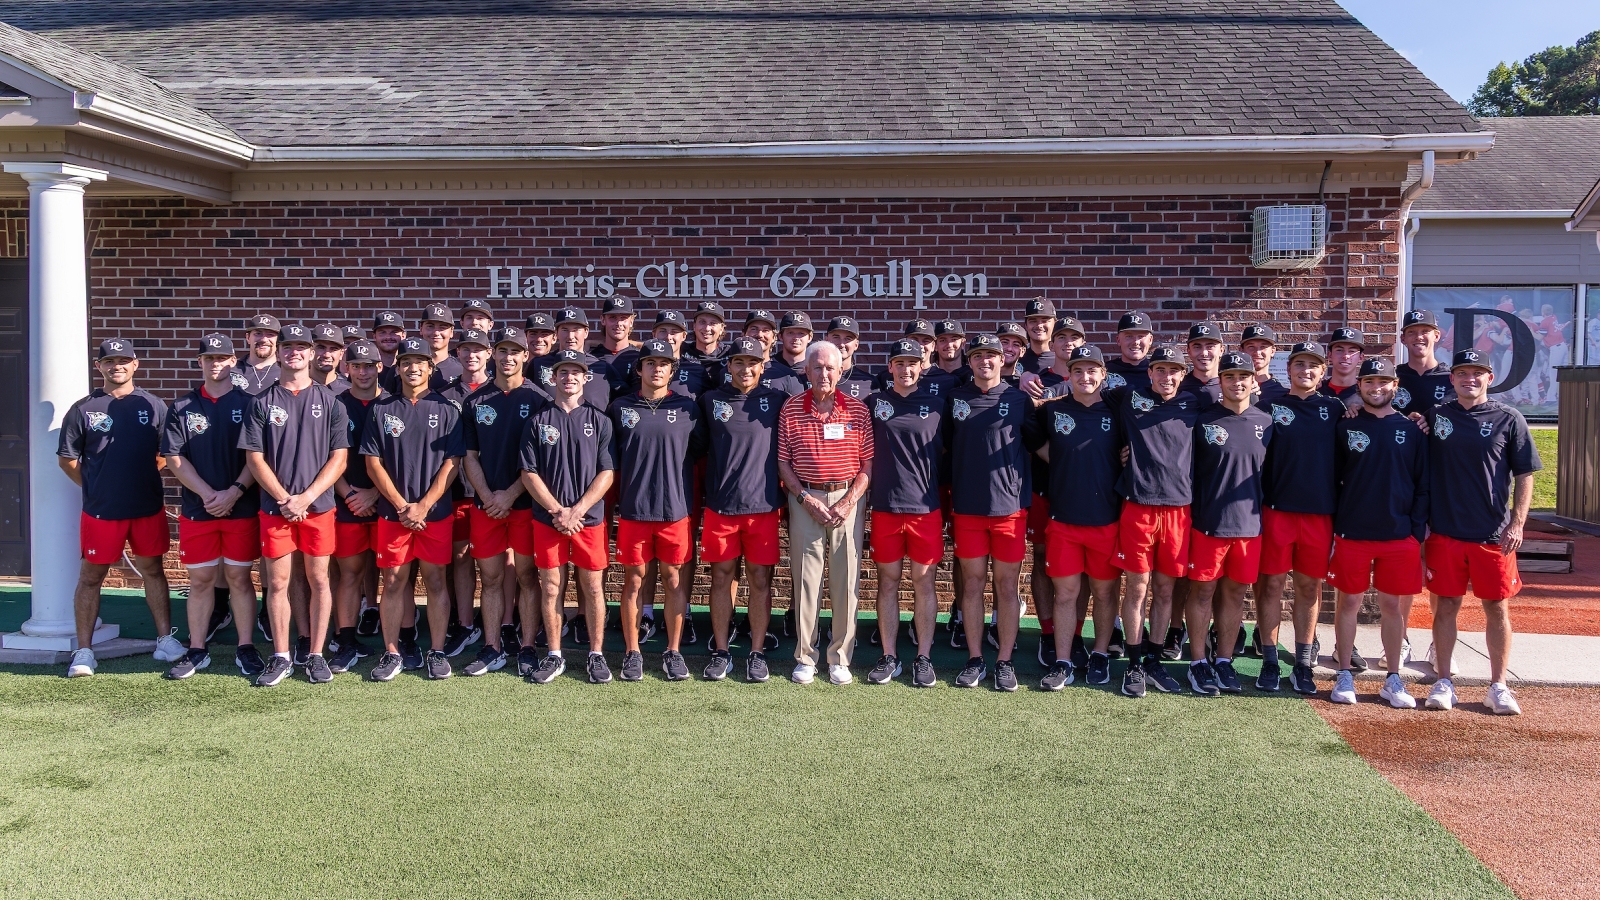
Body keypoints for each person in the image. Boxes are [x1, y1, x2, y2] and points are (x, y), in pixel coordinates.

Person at [1423, 349, 1541, 715]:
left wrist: (1518, 522)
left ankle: (1499, 685)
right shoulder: (1436, 416)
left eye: (1477, 373)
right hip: (1445, 531)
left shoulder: (1510, 418)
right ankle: (1444, 681)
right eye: (1462, 373)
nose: (1469, 379)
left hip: (1493, 534)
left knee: (1497, 608)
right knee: (1446, 606)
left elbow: (1525, 474)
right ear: (1452, 379)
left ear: (1489, 378)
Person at [60, 339, 184, 678]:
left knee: (154, 572)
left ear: (135, 364)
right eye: (110, 361)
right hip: (101, 511)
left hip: (146, 507)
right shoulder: (83, 409)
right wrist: (98, 485)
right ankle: (84, 652)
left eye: (124, 360)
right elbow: (68, 460)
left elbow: (166, 453)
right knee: (91, 577)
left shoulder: (154, 405)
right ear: (99, 366)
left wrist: (137, 478)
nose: (117, 366)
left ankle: (164, 640)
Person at [239, 324, 351, 686]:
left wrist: (305, 497)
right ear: (279, 351)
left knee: (319, 580)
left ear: (313, 352)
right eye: (289, 346)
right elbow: (254, 458)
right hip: (277, 509)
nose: (295, 352)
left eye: (303, 346)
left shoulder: (331, 401)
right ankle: (282, 656)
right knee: (278, 584)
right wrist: (285, 498)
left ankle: (316, 655)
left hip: (318, 507)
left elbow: (340, 458)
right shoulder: (262, 402)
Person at [362, 337, 465, 682]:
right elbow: (373, 463)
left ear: (431, 368)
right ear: (398, 367)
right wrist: (402, 505)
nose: (413, 367)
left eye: (420, 361)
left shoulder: (449, 409)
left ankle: (436, 650)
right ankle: (392, 652)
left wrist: (424, 505)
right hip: (395, 514)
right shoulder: (381, 409)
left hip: (434, 513)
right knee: (393, 581)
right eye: (406, 361)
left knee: (436, 580)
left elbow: (453, 464)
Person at [1328, 358, 1428, 709]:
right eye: (1369, 381)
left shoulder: (1413, 429)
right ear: (1360, 386)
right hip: (1353, 531)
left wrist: (1415, 532)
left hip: (1398, 535)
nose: (1376, 388)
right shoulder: (1345, 426)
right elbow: (1334, 479)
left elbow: (1422, 485)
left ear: (1395, 386)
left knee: (1391, 606)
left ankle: (1393, 677)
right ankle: (1343, 672)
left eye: (1383, 381)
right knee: (1350, 602)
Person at [161, 334, 262, 680]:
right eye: (208, 358)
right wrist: (207, 495)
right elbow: (174, 458)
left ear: (234, 361)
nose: (215, 363)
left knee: (239, 577)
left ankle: (246, 647)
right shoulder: (182, 407)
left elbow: (257, 458)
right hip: (198, 508)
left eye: (222, 357)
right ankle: (197, 649)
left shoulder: (251, 403)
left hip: (242, 507)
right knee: (201, 579)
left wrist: (234, 492)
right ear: (200, 362)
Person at [609, 338, 707, 681]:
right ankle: (632, 651)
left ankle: (673, 651)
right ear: (639, 369)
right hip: (635, 510)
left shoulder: (687, 408)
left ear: (671, 370)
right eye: (650, 363)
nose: (657, 368)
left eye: (663, 363)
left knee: (673, 580)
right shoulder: (620, 407)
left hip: (675, 511)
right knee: (634, 580)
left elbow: (698, 452)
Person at [520, 348, 617, 684]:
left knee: (592, 587)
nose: (570, 377)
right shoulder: (537, 420)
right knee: (550, 588)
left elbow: (607, 472)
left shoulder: (600, 420)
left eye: (576, 372)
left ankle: (596, 654)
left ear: (585, 378)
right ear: (553, 377)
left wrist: (577, 510)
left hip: (588, 520)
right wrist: (557, 511)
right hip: (548, 520)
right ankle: (555, 655)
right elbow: (528, 473)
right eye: (563, 372)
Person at [778, 340, 872, 685]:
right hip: (805, 497)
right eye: (816, 367)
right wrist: (806, 499)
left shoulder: (858, 411)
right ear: (806, 371)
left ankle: (839, 657)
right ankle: (806, 656)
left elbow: (867, 465)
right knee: (806, 581)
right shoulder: (790, 409)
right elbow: (784, 462)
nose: (824, 373)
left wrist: (847, 502)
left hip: (848, 497)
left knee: (846, 581)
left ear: (841, 370)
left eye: (830, 367)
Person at [1030, 345, 1124, 691]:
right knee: (1066, 594)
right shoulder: (1054, 412)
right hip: (1064, 518)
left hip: (1106, 519)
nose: (1085, 377)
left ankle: (1099, 653)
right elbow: (1029, 434)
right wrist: (1056, 459)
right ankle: (1064, 659)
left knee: (1104, 591)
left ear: (1103, 375)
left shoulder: (1117, 410)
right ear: (1068, 375)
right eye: (1078, 371)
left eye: (1092, 371)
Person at [944, 333, 1035, 691]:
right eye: (978, 356)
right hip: (967, 507)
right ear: (970, 362)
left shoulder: (1019, 400)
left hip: (1009, 508)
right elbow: (946, 446)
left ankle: (1005, 660)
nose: (985, 361)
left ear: (1004, 361)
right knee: (972, 586)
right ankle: (975, 658)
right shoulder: (955, 399)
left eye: (992, 356)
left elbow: (1039, 446)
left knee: (1007, 586)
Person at [1105, 345, 1197, 689]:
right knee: (1137, 588)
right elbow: (1079, 390)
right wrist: (1033, 391)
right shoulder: (1128, 398)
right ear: (1150, 373)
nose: (1167, 376)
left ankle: (1155, 659)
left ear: (1183, 375)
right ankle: (1133, 663)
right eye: (1160, 369)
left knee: (1165, 588)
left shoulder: (1196, 403)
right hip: (1138, 506)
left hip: (1178, 509)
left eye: (1174, 370)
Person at [1256, 341, 1346, 695]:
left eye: (1313, 365)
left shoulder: (1337, 410)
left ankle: (1304, 662)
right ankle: (1269, 660)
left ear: (1323, 373)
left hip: (1319, 515)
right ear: (1288, 370)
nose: (1305, 371)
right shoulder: (1269, 406)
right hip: (1277, 511)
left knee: (1309, 587)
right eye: (1298, 365)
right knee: (1272, 587)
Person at [1182, 351, 1273, 697]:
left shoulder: (1267, 422)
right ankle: (1197, 662)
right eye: (1230, 376)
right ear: (1220, 381)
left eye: (1243, 376)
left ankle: (1223, 660)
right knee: (1202, 592)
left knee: (1236, 594)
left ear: (1254, 381)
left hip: (1250, 527)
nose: (1237, 382)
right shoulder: (1203, 420)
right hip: (1208, 524)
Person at [698, 337, 788, 681]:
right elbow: (698, 449)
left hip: (763, 507)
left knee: (761, 579)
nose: (745, 368)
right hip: (721, 507)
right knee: (721, 577)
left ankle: (756, 651)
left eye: (752, 362)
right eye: (738, 362)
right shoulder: (710, 401)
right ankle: (722, 650)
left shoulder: (778, 401)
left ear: (762, 366)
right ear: (729, 365)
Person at [459, 326, 541, 677]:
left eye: (515, 352)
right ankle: (492, 647)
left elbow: (538, 462)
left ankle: (526, 646)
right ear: (494, 354)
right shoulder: (475, 401)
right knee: (490, 578)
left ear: (526, 356)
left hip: (523, 506)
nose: (508, 358)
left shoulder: (539, 399)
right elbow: (469, 456)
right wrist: (488, 496)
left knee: (526, 575)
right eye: (502, 351)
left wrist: (509, 495)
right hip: (487, 506)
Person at [863, 339, 945, 688]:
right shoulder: (873, 403)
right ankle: (890, 655)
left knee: (924, 581)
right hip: (885, 507)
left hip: (925, 508)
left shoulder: (939, 404)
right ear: (890, 366)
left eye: (913, 362)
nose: (906, 368)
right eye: (900, 362)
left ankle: (923, 657)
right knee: (888, 582)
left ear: (923, 364)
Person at [328, 339, 386, 673]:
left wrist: (375, 495)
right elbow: (328, 458)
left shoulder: (393, 404)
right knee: (349, 574)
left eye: (369, 366)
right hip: (346, 502)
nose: (362, 372)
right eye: (356, 366)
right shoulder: (335, 405)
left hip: (387, 505)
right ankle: (345, 641)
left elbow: (399, 462)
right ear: (345, 368)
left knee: (395, 576)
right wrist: (351, 494)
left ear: (380, 367)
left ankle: (399, 639)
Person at [439, 328, 495, 655]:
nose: (471, 355)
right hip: (459, 490)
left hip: (496, 495)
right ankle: (465, 625)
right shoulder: (445, 394)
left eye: (478, 349)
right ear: (457, 353)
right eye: (466, 349)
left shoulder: (500, 390)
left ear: (488, 353)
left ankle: (505, 623)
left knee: (501, 563)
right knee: (460, 558)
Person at [1396, 309, 1454, 419]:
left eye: (1425, 331)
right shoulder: (1393, 379)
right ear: (1403, 338)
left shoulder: (1451, 379)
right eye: (1411, 332)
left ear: (1437, 336)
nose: (1419, 337)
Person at [825, 315, 876, 400]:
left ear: (856, 345)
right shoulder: (812, 376)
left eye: (848, 339)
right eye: (836, 337)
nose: (841, 344)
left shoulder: (869, 382)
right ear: (826, 340)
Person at [1238, 323, 1289, 404]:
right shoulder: (1231, 388)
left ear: (1272, 351)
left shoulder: (1283, 393)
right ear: (1241, 351)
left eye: (1263, 347)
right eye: (1251, 347)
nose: (1257, 352)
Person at [231, 313, 281, 395]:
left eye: (270, 334)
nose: (264, 339)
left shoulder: (286, 372)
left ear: (278, 340)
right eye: (258, 333)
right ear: (248, 338)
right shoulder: (232, 370)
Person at [1105, 311, 1155, 393]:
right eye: (1129, 336)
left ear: (1150, 340)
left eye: (1141, 336)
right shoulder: (1104, 372)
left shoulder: (1159, 373)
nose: (1136, 342)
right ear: (1118, 340)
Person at [420, 303, 464, 388]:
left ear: (451, 332)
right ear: (421, 329)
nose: (436, 333)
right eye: (430, 326)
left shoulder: (462, 370)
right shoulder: (407, 369)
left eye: (442, 327)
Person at [765, 311, 813, 387]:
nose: (796, 338)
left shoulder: (815, 367)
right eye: (790, 333)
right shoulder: (768, 367)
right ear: (780, 336)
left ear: (810, 337)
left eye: (801, 333)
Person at [1320, 327, 1364, 403]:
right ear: (1330, 355)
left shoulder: (1367, 395)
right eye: (1339, 350)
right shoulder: (1316, 391)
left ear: (1360, 357)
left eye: (1352, 351)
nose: (1345, 356)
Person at [1019, 297, 1057, 373]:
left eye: (1045, 320)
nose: (1039, 325)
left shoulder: (1062, 360)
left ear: (1055, 324)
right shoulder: (1017, 359)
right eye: (1033, 321)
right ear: (1026, 325)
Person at [310, 323, 351, 392]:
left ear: (341, 354)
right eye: (321, 347)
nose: (327, 355)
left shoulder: (350, 392)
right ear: (310, 351)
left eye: (333, 349)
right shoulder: (295, 387)